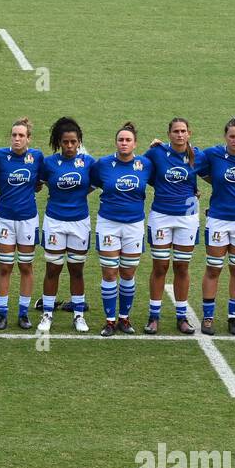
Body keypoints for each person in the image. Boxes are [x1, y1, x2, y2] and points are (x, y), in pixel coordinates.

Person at [194, 118, 235, 335]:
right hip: (218, 220)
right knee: (214, 268)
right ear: (225, 136)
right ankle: (208, 317)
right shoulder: (213, 154)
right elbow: (189, 160)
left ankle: (234, 318)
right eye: (232, 136)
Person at [91, 122, 153, 336]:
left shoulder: (145, 164)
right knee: (109, 273)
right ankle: (109, 321)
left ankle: (124, 318)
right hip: (108, 223)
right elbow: (92, 183)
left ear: (135, 144)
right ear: (115, 142)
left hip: (134, 225)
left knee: (127, 273)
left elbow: (165, 179)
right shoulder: (103, 164)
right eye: (121, 140)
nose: (124, 143)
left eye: (128, 140)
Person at [37, 118, 97, 334]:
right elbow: (38, 185)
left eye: (73, 142)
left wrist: (77, 195)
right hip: (54, 221)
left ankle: (78, 314)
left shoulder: (89, 163)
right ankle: (47, 314)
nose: (70, 146)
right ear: (59, 143)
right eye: (65, 142)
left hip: (80, 222)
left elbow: (95, 184)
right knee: (52, 268)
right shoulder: (49, 163)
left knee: (76, 269)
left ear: (79, 141)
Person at [144, 118, 200, 335]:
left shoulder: (199, 155)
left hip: (187, 218)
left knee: (182, 267)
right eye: (175, 131)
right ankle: (154, 316)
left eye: (183, 131)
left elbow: (209, 173)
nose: (179, 134)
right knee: (160, 266)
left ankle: (181, 316)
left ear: (189, 133)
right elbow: (143, 174)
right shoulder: (156, 153)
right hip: (161, 217)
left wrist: (194, 192)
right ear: (168, 134)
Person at [0, 118, 43, 330]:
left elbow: (41, 182)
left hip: (28, 219)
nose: (17, 139)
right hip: (4, 218)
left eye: (21, 135)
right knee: (5, 266)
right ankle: (2, 313)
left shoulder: (37, 157)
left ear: (28, 138)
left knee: (26, 266)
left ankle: (23, 313)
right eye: (14, 135)